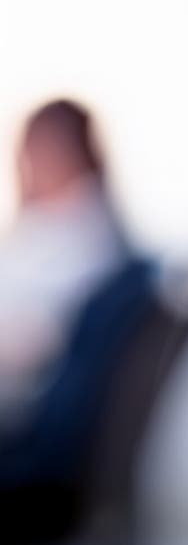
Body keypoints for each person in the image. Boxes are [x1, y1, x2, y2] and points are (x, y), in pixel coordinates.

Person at [0, 99, 127, 425]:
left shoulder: (83, 241)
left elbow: (34, 340)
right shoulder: (51, 228)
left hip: (28, 416)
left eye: (37, 150)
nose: (27, 164)